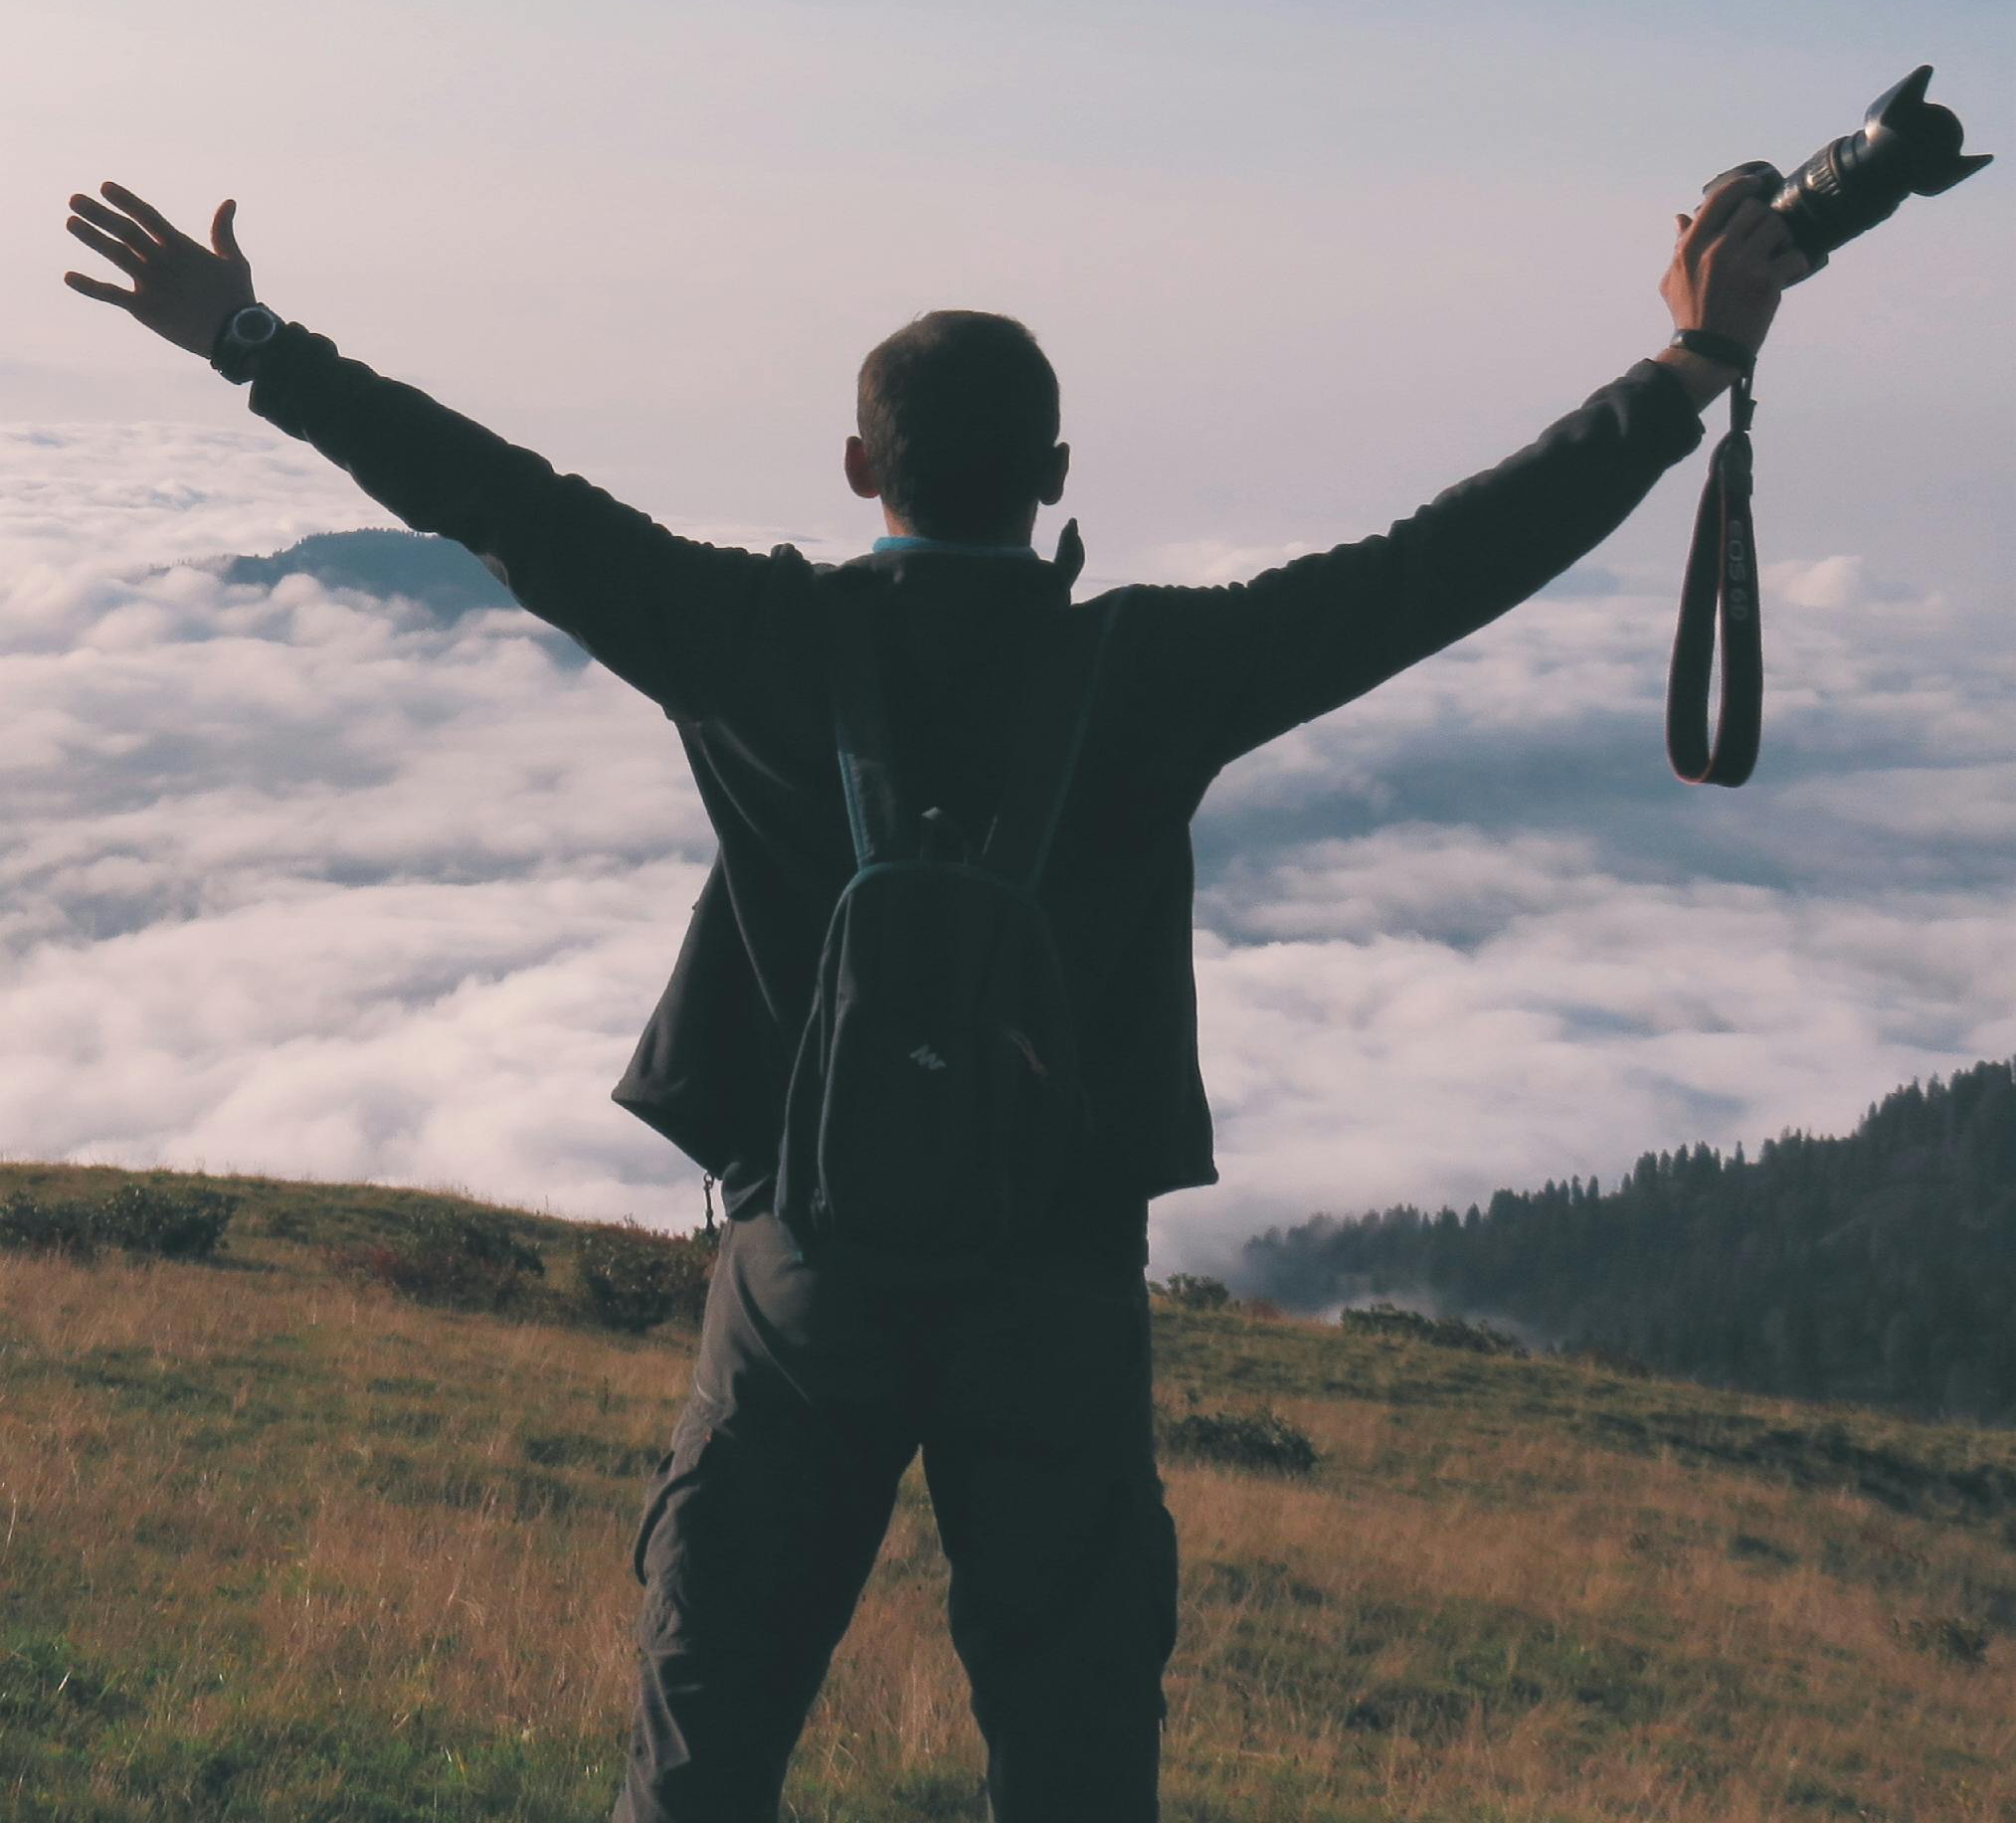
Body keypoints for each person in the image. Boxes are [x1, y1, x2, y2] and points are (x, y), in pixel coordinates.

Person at [62, 169, 1804, 1821]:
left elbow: (494, 497)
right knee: (1072, 1743)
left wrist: (253, 345)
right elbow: (1447, 563)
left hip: (800, 1266)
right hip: (1055, 1284)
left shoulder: (742, 637)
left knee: (711, 1724)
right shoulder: (1152, 669)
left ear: (851, 465)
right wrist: (1692, 362)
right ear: (1054, 472)